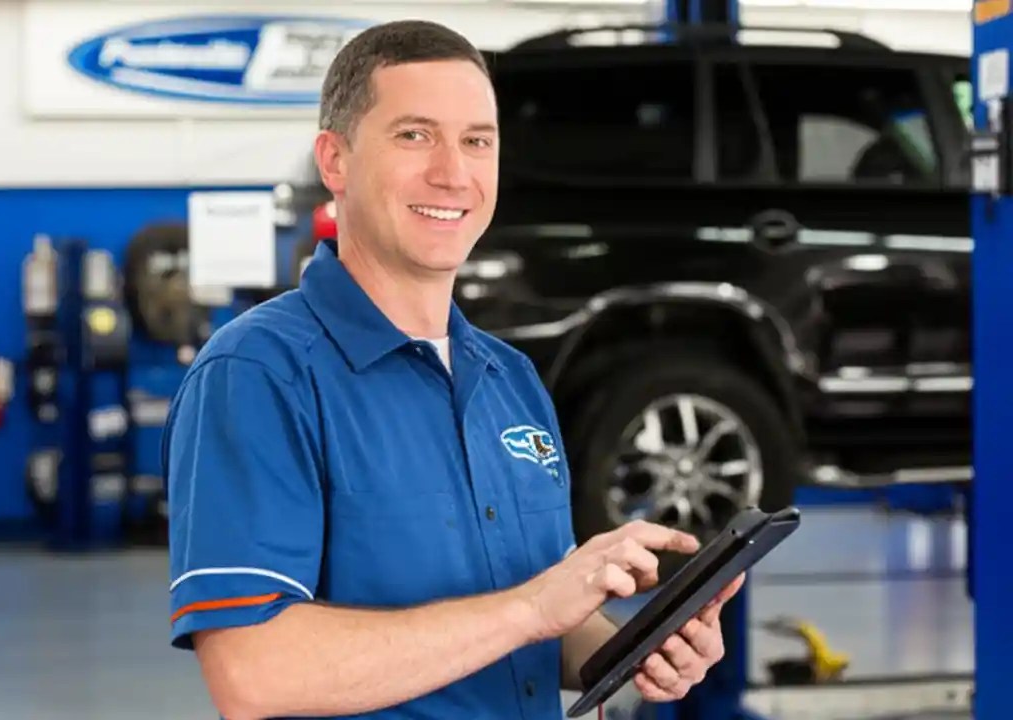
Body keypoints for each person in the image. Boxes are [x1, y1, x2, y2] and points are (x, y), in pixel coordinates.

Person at [161, 19, 744, 720]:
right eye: (414, 135)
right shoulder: (258, 374)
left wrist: (637, 646)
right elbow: (255, 672)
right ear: (335, 161)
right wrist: (532, 608)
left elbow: (533, 621)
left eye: (477, 141)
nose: (453, 172)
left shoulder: (510, 379)